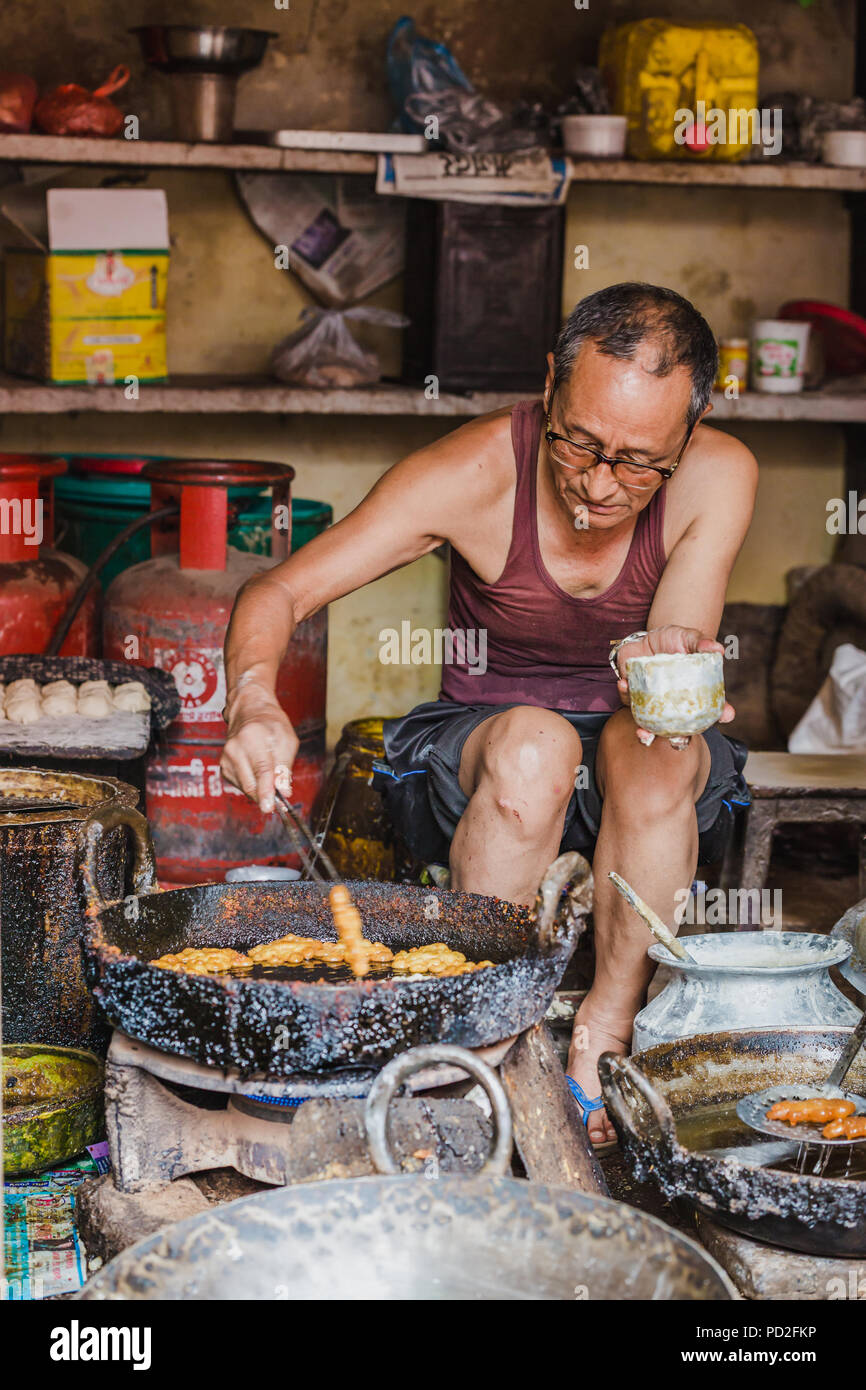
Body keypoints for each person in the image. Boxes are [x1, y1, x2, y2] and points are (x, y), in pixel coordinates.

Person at [220, 282, 757, 1146]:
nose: (599, 482)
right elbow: (280, 589)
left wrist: (670, 672)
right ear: (550, 385)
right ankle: (484, 1045)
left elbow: (675, 642)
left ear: (687, 436)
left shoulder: (718, 475)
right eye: (579, 441)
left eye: (638, 461)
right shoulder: (471, 473)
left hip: (634, 759)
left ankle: (600, 1041)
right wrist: (251, 698)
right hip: (482, 754)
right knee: (537, 748)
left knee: (658, 749)